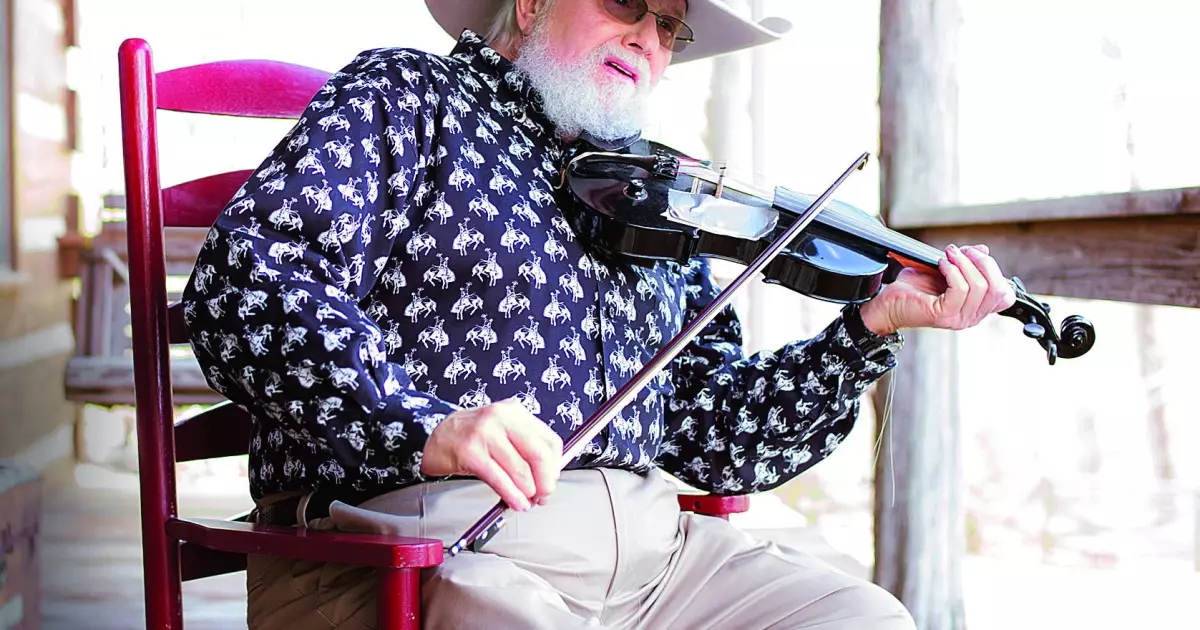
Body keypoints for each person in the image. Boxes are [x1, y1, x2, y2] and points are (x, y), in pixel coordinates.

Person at [181, 0, 1016, 627]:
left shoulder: (657, 191)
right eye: (627, 2)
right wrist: (423, 425)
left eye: (669, 27)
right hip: (431, 545)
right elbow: (246, 285)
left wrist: (865, 333)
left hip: (659, 564)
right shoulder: (408, 96)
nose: (648, 40)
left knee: (864, 620)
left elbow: (719, 441)